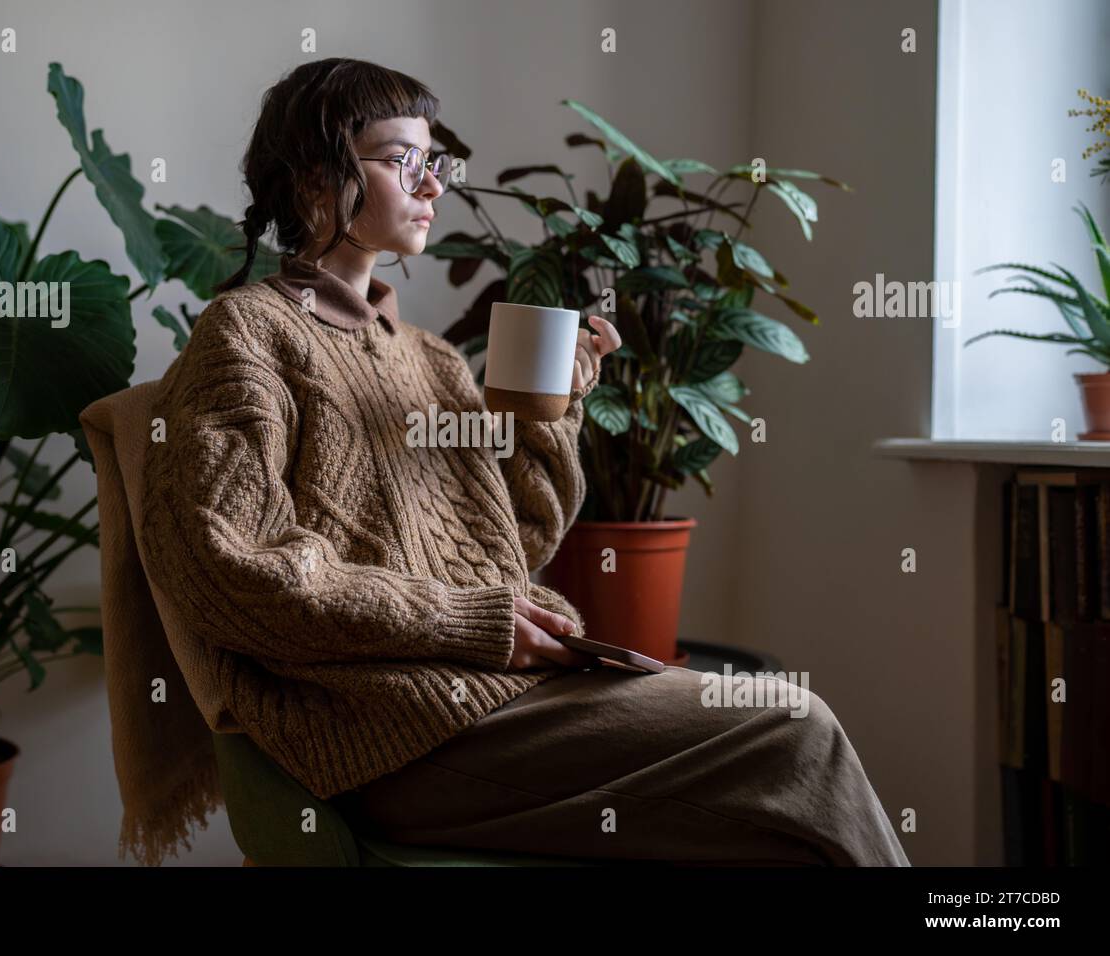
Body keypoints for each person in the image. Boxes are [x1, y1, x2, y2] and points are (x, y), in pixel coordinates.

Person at [139, 57, 910, 867]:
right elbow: (229, 571)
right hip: (395, 736)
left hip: (498, 706)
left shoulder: (429, 358)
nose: (434, 185)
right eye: (405, 160)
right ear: (313, 180)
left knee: (782, 819)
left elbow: (517, 546)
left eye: (434, 163)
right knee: (798, 734)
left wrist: (549, 414)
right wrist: (468, 623)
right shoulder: (247, 335)